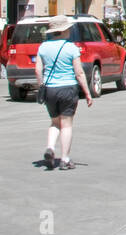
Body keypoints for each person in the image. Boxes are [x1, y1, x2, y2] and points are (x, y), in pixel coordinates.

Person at [35, 17, 93, 171]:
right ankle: (65, 159)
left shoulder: (43, 47)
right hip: (68, 88)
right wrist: (87, 93)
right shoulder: (71, 48)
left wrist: (41, 86)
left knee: (55, 122)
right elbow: (79, 72)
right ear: (64, 30)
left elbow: (37, 70)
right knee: (66, 124)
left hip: (50, 89)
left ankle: (50, 147)